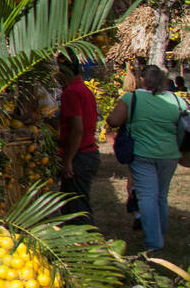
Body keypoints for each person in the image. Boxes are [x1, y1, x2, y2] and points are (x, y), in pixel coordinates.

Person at [106, 65, 185, 253]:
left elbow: (113, 121)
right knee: (161, 196)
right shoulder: (176, 99)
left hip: (142, 154)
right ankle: (160, 233)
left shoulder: (132, 98)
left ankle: (154, 242)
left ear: (142, 79)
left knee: (147, 197)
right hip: (170, 154)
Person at [57, 53, 99, 225]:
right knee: (72, 203)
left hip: (80, 155)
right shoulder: (83, 89)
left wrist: (68, 160)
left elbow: (77, 129)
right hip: (86, 152)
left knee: (77, 206)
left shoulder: (71, 92)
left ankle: (86, 242)